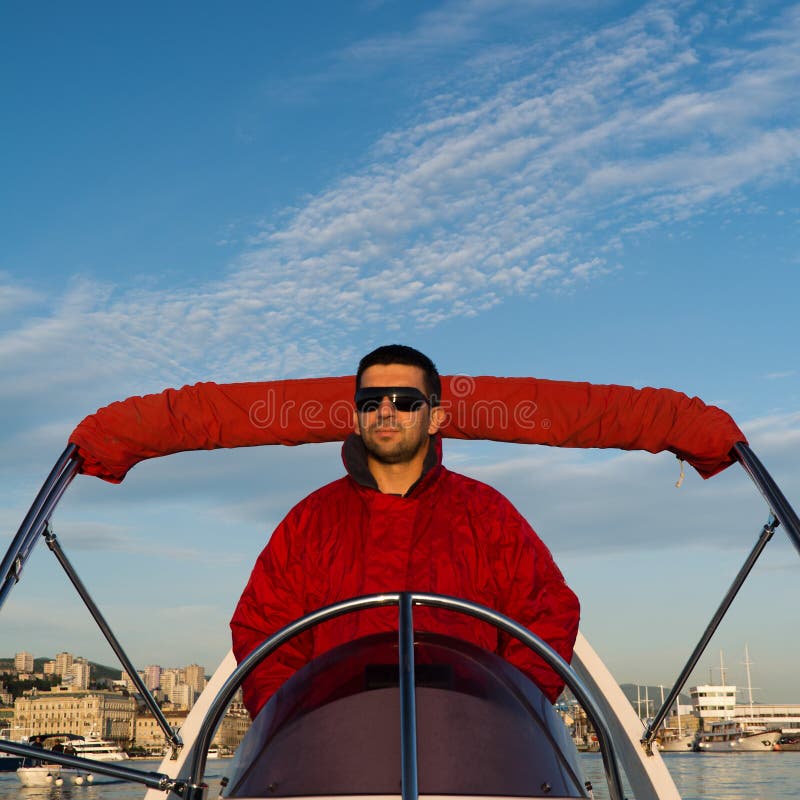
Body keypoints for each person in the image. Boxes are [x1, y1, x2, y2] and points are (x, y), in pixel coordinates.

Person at [230, 344, 580, 719]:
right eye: (370, 401)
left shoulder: (488, 514)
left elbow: (548, 611)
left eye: (404, 401)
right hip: (336, 746)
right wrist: (293, 720)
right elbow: (263, 630)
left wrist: (505, 705)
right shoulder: (309, 521)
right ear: (356, 417)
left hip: (469, 743)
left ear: (434, 418)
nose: (385, 411)